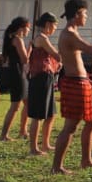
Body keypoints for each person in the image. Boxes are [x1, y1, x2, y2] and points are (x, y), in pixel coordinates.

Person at [52, 0, 92, 174]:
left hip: (81, 82)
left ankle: (86, 160)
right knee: (70, 126)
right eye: (84, 13)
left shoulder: (72, 32)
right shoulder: (69, 34)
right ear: (76, 15)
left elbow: (77, 61)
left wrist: (88, 82)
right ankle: (57, 166)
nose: (86, 17)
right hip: (75, 84)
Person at [27, 13, 61, 156]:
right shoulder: (41, 38)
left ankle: (45, 143)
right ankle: (34, 148)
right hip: (40, 77)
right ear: (48, 24)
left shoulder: (42, 38)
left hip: (46, 76)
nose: (55, 28)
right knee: (38, 115)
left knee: (51, 113)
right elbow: (56, 54)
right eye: (54, 25)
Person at [0, 17, 31, 141]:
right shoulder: (18, 40)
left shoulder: (11, 38)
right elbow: (25, 60)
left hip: (18, 73)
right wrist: (30, 50)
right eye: (28, 27)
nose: (29, 30)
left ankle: (23, 130)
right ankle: (4, 135)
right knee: (15, 106)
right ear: (21, 28)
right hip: (17, 74)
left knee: (27, 103)